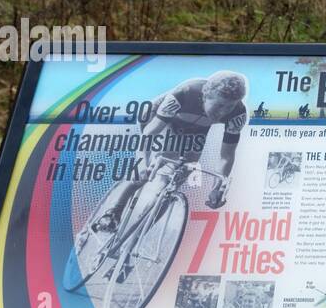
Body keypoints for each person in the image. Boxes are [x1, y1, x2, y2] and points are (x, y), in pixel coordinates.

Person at [90, 71, 249, 235]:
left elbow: (226, 156)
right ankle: (113, 212)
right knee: (146, 171)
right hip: (160, 120)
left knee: (177, 179)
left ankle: (136, 238)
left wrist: (217, 187)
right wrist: (143, 162)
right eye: (219, 105)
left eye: (229, 106)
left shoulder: (238, 113)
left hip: (196, 130)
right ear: (206, 96)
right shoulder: (186, 93)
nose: (223, 112)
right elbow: (149, 135)